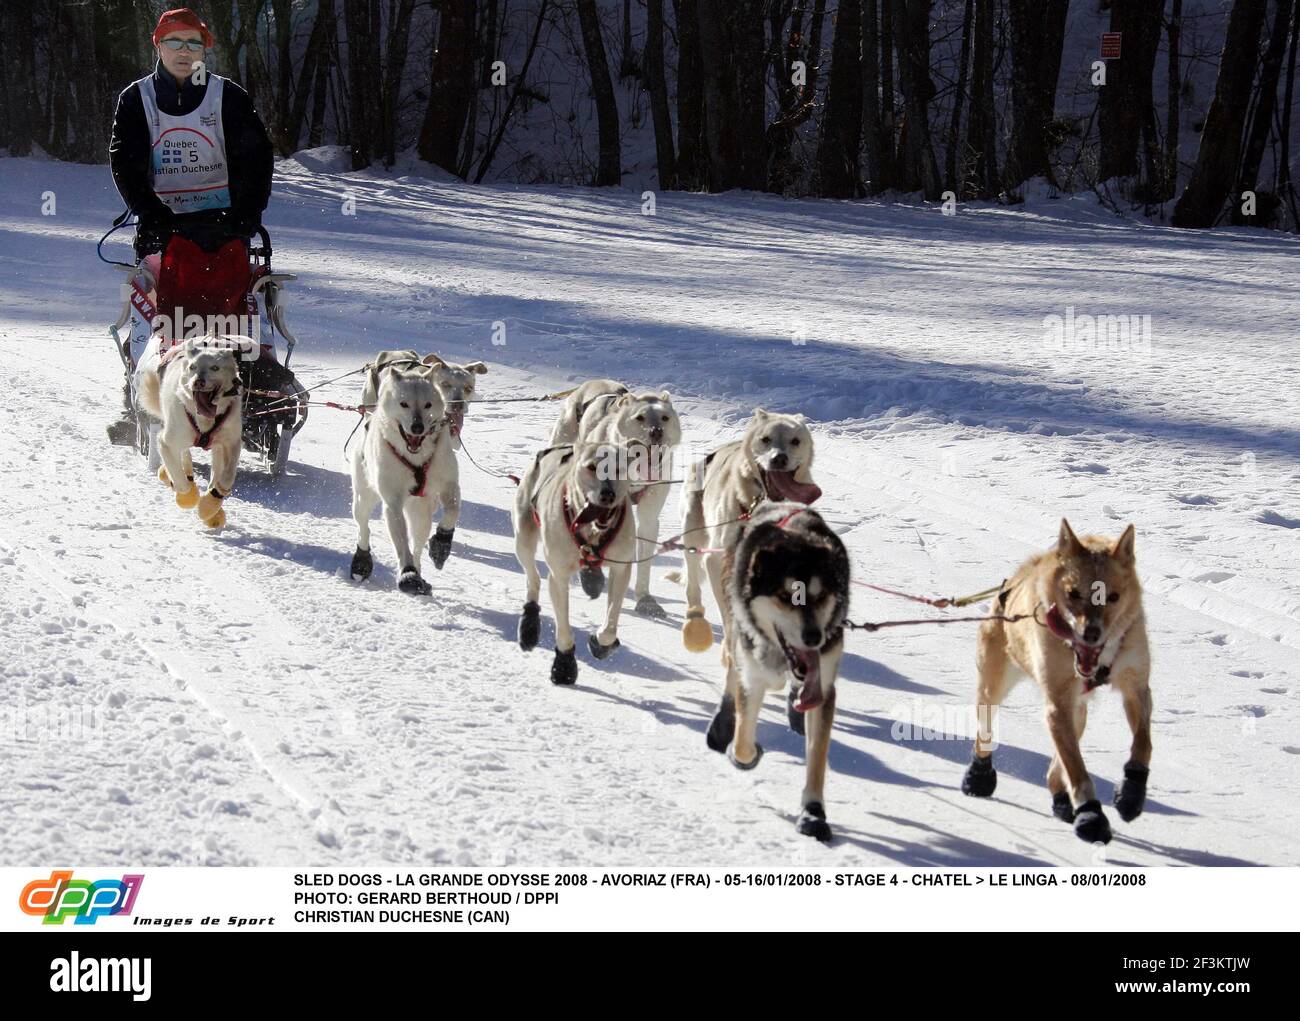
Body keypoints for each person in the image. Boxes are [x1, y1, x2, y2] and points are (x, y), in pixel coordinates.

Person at [109, 7, 273, 262]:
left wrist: (248, 210)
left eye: (193, 43)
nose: (184, 51)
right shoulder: (136, 99)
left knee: (227, 297)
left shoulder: (228, 96)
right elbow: (126, 165)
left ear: (203, 50)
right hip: (161, 226)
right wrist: (149, 212)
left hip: (224, 223)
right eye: (174, 42)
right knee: (166, 297)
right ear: (159, 47)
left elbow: (256, 159)